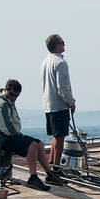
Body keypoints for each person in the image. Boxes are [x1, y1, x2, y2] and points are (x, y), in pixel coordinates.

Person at [0, 79, 60, 191]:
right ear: (5, 90)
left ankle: (49, 174)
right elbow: (6, 128)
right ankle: (33, 178)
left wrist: (19, 136)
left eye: (16, 96)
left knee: (39, 144)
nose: (14, 98)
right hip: (0, 139)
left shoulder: (8, 101)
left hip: (9, 136)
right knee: (32, 145)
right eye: (12, 94)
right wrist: (19, 136)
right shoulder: (1, 105)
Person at [40, 34, 75, 174]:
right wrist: (71, 102)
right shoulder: (60, 63)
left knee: (56, 136)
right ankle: (56, 167)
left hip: (48, 105)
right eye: (62, 42)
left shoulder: (45, 62)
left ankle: (52, 162)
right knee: (60, 138)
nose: (64, 44)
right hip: (59, 105)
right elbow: (63, 88)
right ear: (56, 45)